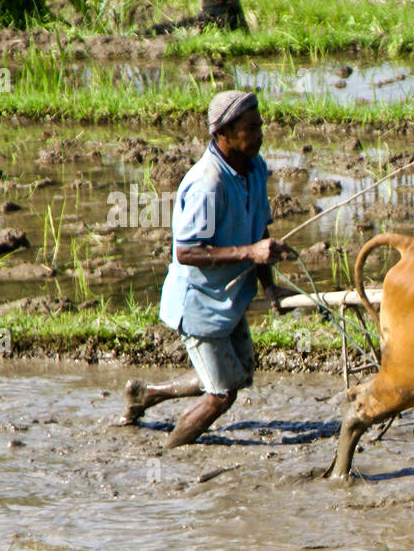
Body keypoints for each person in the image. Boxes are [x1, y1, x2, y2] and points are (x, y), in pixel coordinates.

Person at [120, 90, 294, 446]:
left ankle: (146, 395)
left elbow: (260, 228)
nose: (259, 135)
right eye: (250, 129)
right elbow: (187, 252)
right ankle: (171, 451)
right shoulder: (208, 184)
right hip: (199, 302)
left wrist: (269, 286)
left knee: (238, 372)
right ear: (223, 133)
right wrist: (251, 253)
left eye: (260, 126)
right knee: (221, 395)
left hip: (229, 298)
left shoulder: (256, 167)